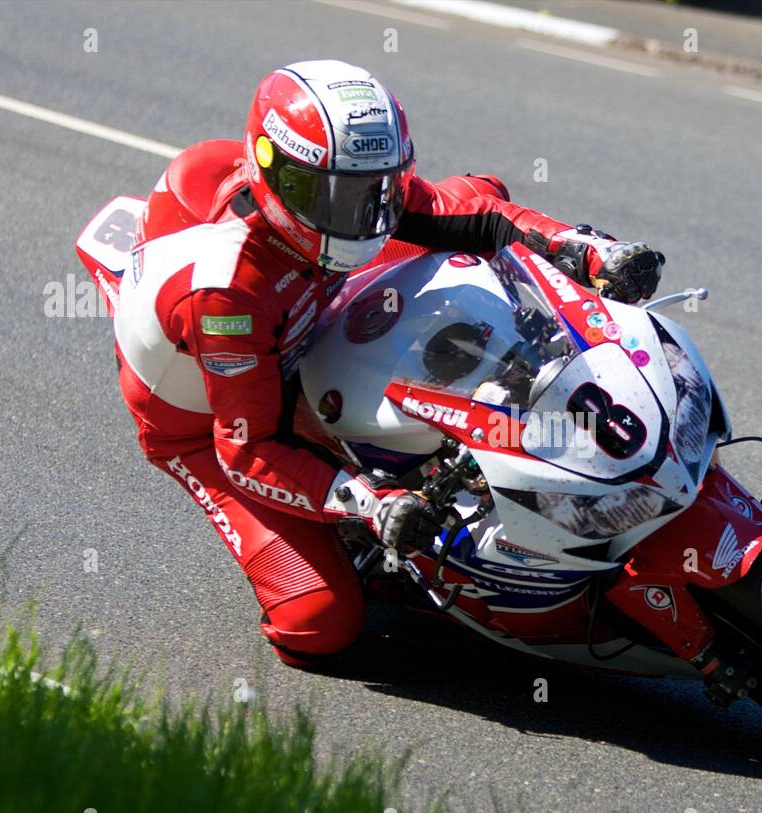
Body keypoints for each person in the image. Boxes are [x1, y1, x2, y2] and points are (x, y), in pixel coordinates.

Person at [110, 59, 665, 668]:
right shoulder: (226, 295)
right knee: (318, 621)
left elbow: (473, 215)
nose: (360, 216)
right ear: (277, 176)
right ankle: (370, 559)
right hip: (212, 423)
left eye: (376, 190)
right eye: (334, 196)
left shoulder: (350, 202)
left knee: (477, 195)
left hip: (311, 294)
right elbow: (246, 448)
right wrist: (368, 503)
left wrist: (587, 251)